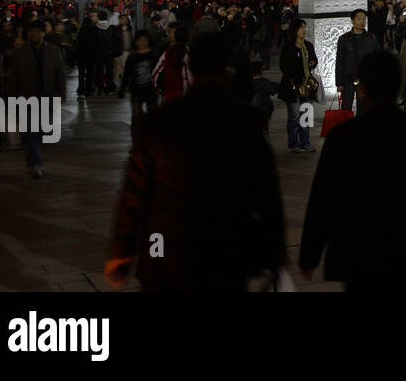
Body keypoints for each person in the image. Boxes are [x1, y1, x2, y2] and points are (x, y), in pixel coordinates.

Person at [105, 32, 286, 291]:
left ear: (191, 68)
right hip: (226, 252)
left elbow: (133, 193)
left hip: (166, 250)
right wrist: (275, 250)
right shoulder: (246, 121)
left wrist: (121, 251)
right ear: (228, 70)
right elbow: (267, 195)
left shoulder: (158, 121)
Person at [299, 51, 406, 291]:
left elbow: (323, 200)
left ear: (363, 89)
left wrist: (309, 255)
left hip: (358, 250)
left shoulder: (343, 137)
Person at [6, 20, 66, 178]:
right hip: (25, 96)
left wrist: (62, 92)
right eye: (31, 31)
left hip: (46, 94)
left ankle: (31, 160)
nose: (34, 34)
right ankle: (37, 162)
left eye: (37, 31)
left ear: (43, 33)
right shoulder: (20, 52)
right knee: (30, 130)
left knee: (39, 130)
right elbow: (13, 77)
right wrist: (10, 98)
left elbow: (60, 73)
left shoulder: (53, 51)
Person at [278, 20, 318, 154]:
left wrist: (312, 63)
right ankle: (294, 143)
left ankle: (305, 142)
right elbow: (284, 66)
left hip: (307, 86)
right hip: (293, 86)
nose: (303, 30)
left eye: (304, 28)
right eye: (301, 28)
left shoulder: (308, 45)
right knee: (294, 116)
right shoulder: (289, 47)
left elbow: (314, 60)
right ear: (295, 30)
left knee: (306, 115)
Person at [335, 9, 379, 114]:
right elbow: (339, 60)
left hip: (365, 78)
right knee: (346, 108)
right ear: (352, 21)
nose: (362, 21)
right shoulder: (344, 39)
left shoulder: (371, 38)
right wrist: (339, 82)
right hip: (348, 78)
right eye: (359, 19)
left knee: (363, 108)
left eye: (364, 19)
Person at [117, 31, 158, 143]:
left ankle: (152, 139)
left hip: (151, 90)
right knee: (136, 117)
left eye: (144, 40)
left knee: (153, 117)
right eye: (139, 40)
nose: (142, 42)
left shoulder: (154, 56)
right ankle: (137, 140)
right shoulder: (132, 57)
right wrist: (122, 89)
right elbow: (127, 74)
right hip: (136, 91)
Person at [152, 23, 190, 105]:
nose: (170, 34)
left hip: (177, 95)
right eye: (168, 32)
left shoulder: (186, 52)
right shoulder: (163, 49)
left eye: (173, 32)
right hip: (169, 93)